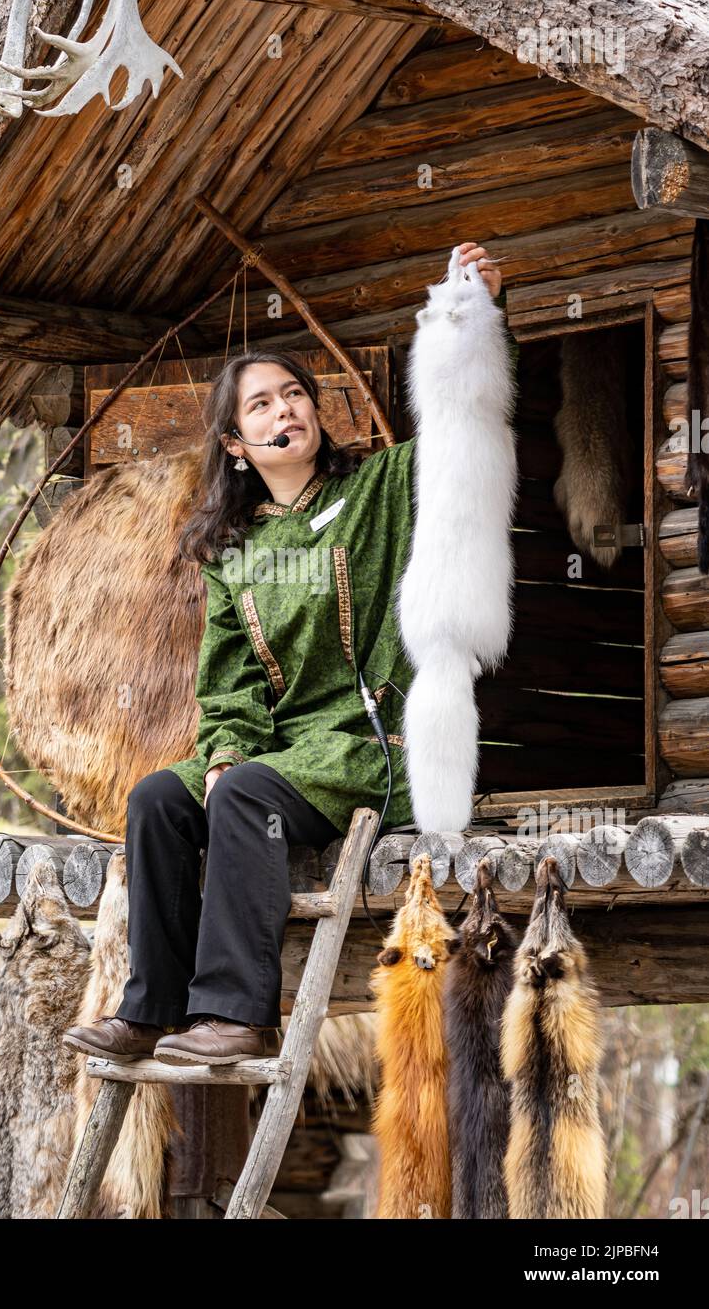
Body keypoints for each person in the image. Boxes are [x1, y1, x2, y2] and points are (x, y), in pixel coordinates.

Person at [63, 244, 504, 1067]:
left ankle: (238, 1013)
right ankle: (153, 1010)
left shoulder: (379, 490)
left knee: (244, 795)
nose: (283, 411)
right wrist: (225, 753)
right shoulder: (231, 553)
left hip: (366, 744)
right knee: (161, 795)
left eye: (294, 394)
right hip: (275, 756)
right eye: (260, 405)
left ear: (314, 412)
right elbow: (225, 686)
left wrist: (468, 320)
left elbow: (458, 430)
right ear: (236, 443)